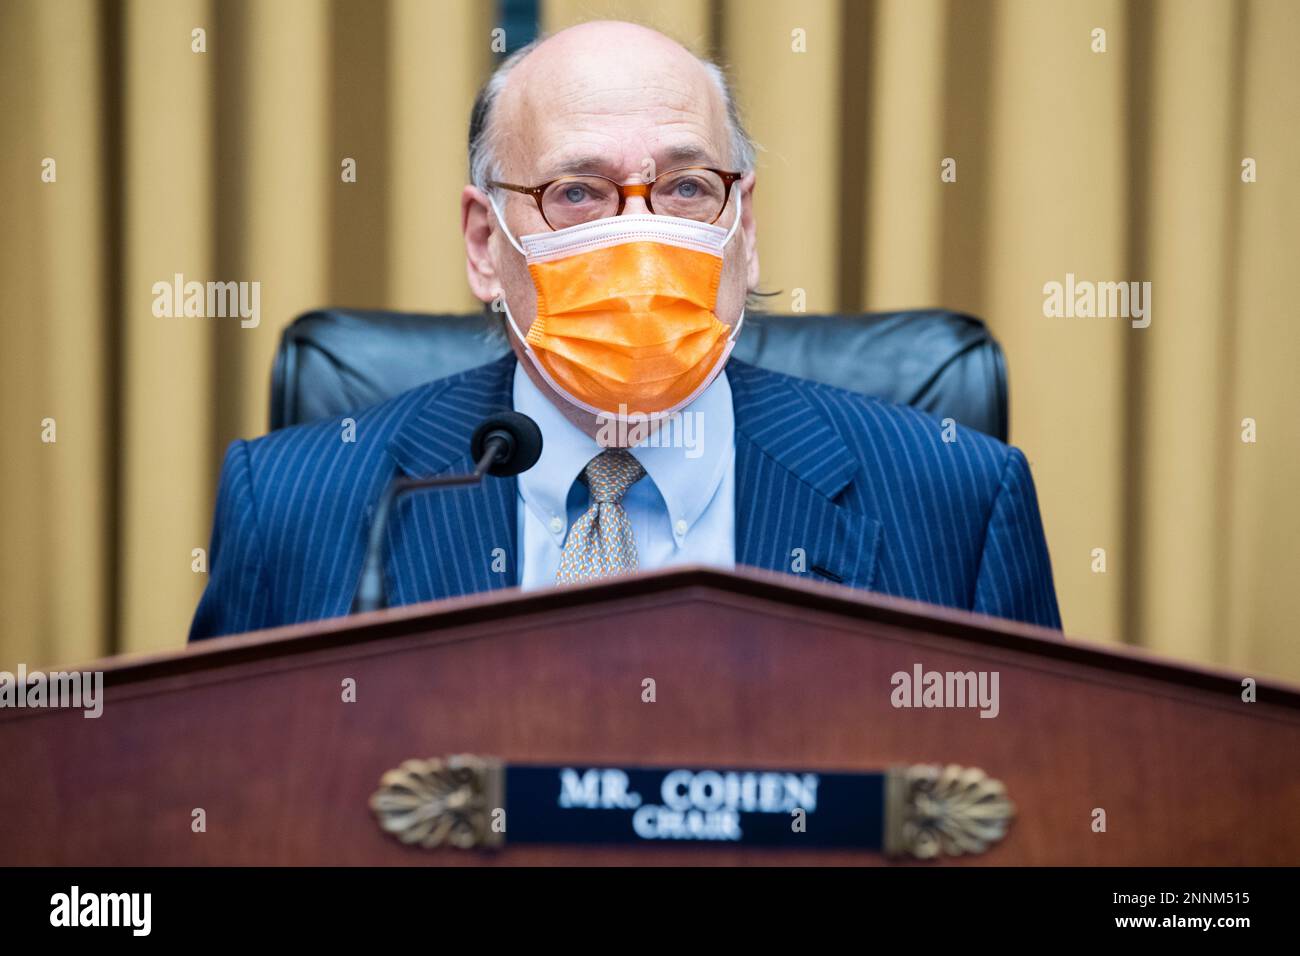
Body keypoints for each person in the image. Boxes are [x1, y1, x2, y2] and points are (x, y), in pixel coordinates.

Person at [190, 21, 1060, 641]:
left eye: (685, 188)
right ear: (486, 244)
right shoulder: (296, 505)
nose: (641, 237)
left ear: (744, 230)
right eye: (578, 193)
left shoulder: (958, 498)